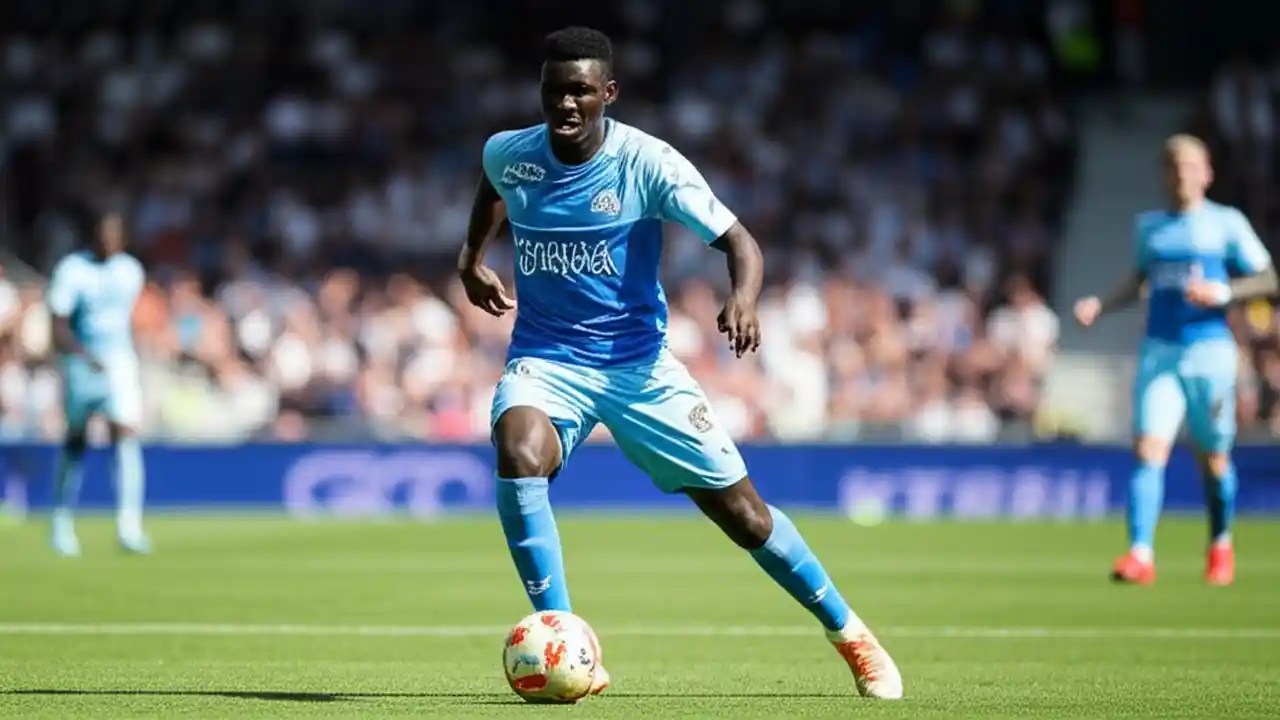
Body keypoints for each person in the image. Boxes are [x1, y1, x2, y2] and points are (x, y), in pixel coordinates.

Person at [457, 27, 902, 699]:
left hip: (639, 367)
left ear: (608, 93)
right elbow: (496, 187)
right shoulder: (509, 151)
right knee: (519, 449)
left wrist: (744, 299)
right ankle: (565, 630)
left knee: (745, 517)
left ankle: (850, 634)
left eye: (580, 91)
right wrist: (470, 260)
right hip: (547, 359)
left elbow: (738, 240)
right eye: (554, 92)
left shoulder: (649, 165)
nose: (566, 105)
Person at [1074, 134, 1276, 586]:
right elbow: (1141, 280)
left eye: (1189, 166)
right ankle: (1140, 554)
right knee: (1148, 449)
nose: (1181, 175)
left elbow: (1267, 278)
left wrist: (1225, 292)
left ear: (1206, 173)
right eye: (1173, 167)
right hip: (1160, 351)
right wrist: (1101, 305)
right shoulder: (1150, 227)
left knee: (1215, 458)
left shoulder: (1226, 223)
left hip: (1209, 353)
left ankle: (1221, 542)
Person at [46, 210, 151, 556]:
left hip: (119, 361)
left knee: (125, 432)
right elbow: (59, 324)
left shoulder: (130, 271)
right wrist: (82, 355)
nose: (108, 241)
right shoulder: (72, 271)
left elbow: (125, 320)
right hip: (82, 361)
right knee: (77, 439)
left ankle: (129, 526)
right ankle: (61, 522)